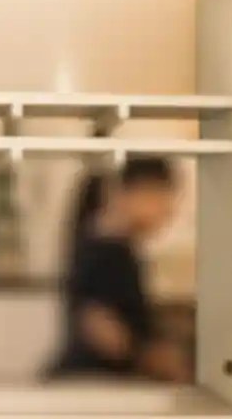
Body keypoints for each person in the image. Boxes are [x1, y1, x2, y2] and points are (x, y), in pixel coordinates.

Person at [48, 157, 191, 382]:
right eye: (162, 198)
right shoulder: (107, 252)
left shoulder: (111, 246)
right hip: (93, 384)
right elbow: (103, 331)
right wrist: (152, 358)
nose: (168, 212)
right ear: (134, 193)